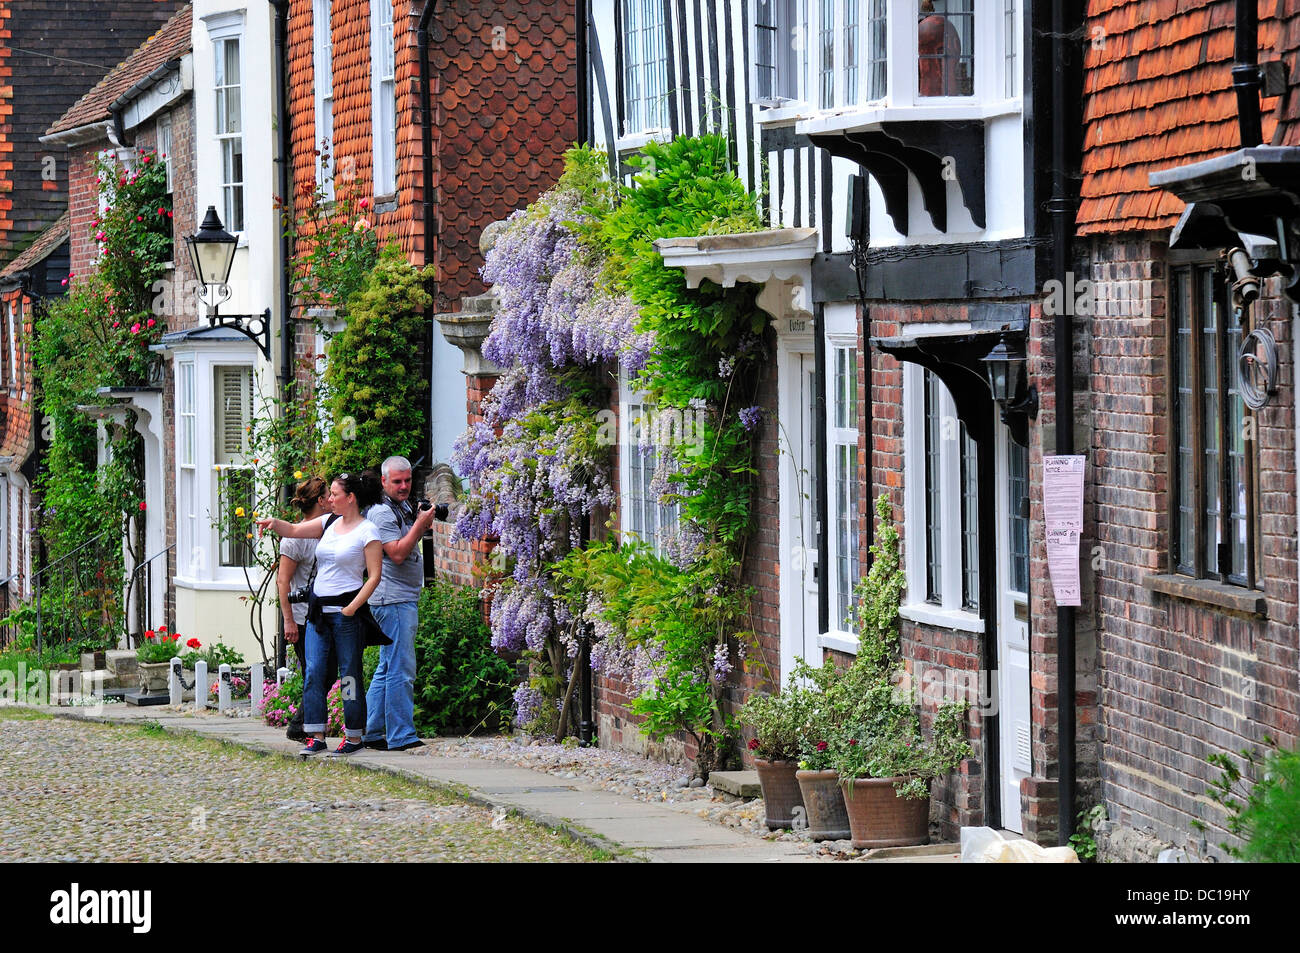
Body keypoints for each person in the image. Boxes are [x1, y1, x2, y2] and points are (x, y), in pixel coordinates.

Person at [256, 471, 383, 756]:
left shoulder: (367, 531)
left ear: (350, 498)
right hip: (318, 611)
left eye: (335, 495)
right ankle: (315, 734)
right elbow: (293, 531)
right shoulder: (328, 522)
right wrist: (273, 523)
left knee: (349, 674)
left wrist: (352, 607)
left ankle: (353, 736)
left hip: (347, 611)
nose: (329, 499)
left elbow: (374, 576)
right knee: (313, 672)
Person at [361, 456, 440, 751]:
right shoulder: (382, 513)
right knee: (401, 669)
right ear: (384, 481)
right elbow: (396, 553)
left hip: (398, 597)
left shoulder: (400, 506)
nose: (404, 486)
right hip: (393, 599)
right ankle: (401, 735)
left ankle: (370, 731)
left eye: (407, 480)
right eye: (397, 481)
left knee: (386, 666)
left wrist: (417, 517)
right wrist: (420, 524)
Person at [275, 476, 330, 742]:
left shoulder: (329, 529)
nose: (331, 499)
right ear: (320, 501)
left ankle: (304, 723)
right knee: (314, 672)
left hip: (323, 612)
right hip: (301, 616)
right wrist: (288, 621)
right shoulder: (295, 539)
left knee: (325, 672)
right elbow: (283, 580)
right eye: (328, 495)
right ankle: (302, 725)